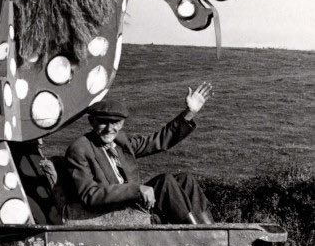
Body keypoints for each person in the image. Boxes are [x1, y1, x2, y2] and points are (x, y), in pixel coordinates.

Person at [64, 83, 215, 224]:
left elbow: (159, 140)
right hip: (114, 208)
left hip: (134, 200)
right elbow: (90, 195)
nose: (110, 129)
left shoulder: (120, 141)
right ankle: (195, 233)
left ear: (122, 123)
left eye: (115, 122)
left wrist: (190, 112)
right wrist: (136, 190)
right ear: (92, 121)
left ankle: (213, 230)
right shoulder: (80, 149)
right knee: (165, 182)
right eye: (103, 122)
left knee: (186, 180)